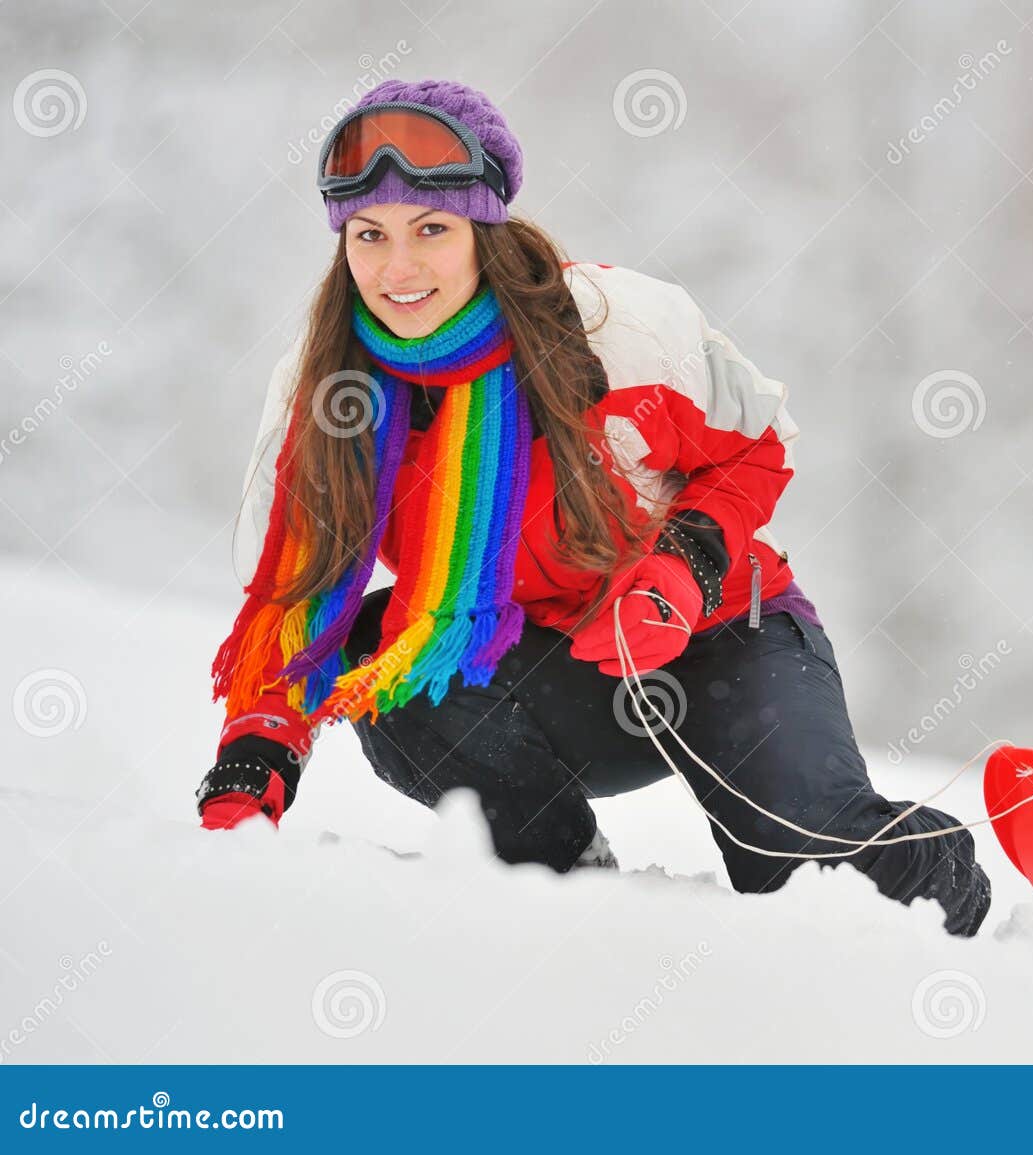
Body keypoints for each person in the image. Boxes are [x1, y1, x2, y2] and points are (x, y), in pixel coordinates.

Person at [196, 78, 991, 937]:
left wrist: (681, 570)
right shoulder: (329, 396)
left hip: (717, 637)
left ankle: (937, 868)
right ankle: (565, 879)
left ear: (483, 230)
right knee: (382, 660)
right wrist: (253, 761)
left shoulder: (618, 327)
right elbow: (297, 598)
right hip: (540, 673)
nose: (398, 267)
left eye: (432, 229)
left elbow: (757, 447)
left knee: (811, 881)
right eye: (370, 235)